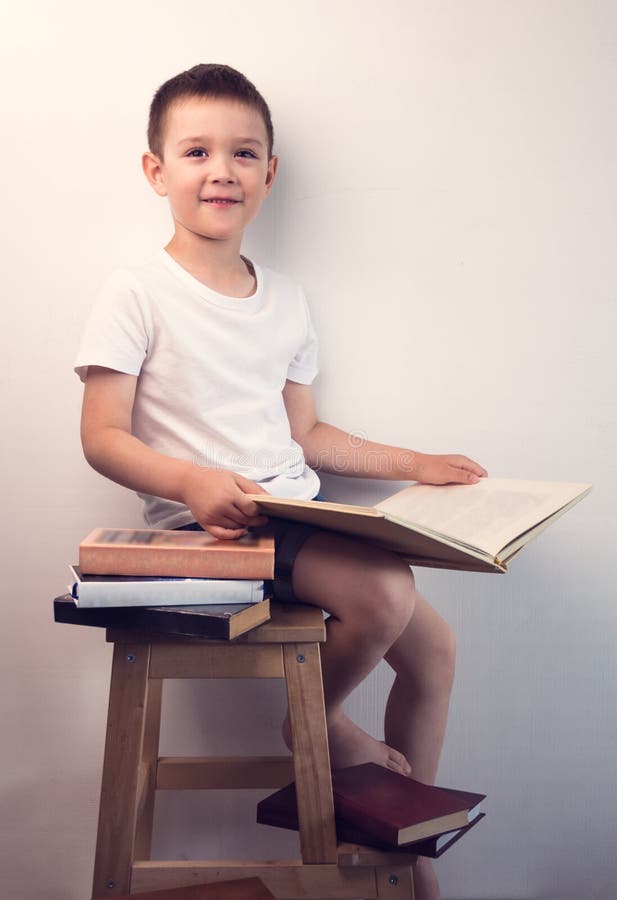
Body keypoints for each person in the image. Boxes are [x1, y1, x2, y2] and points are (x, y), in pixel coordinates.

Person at [75, 63, 487, 900]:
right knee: (380, 590)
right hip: (208, 529)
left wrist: (415, 465)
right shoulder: (136, 292)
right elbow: (101, 437)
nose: (220, 170)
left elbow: (306, 435)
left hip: (289, 511)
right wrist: (189, 480)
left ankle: (394, 847)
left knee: (435, 649)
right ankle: (325, 734)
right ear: (157, 171)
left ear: (269, 173)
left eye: (243, 152)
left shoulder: (288, 299)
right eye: (196, 151)